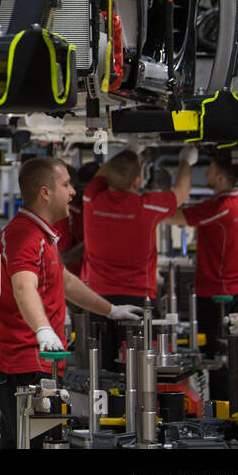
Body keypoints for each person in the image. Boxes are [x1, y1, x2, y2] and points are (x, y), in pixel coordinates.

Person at [0, 157, 141, 449]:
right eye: (66, 184)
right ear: (45, 192)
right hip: (23, 366)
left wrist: (111, 310)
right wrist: (43, 330)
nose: (73, 192)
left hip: (32, 362)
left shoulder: (41, 235)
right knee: (27, 444)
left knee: (18, 443)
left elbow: (66, 282)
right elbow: (23, 286)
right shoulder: (24, 235)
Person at [81, 145, 195, 366]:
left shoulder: (92, 198)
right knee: (138, 369)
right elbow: (181, 193)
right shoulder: (148, 205)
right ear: (137, 181)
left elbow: (103, 174)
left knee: (100, 369)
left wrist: (128, 150)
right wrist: (186, 161)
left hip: (97, 299)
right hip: (138, 299)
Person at [165, 152, 238, 361]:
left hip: (216, 294)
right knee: (230, 353)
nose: (206, 173)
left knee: (214, 356)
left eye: (210, 169)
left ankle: (220, 393)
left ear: (220, 178)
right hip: (235, 290)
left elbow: (174, 217)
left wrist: (146, 208)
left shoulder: (219, 208)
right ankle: (229, 391)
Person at [54, 161, 98, 278]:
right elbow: (66, 258)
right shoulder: (62, 215)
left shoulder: (84, 205)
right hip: (77, 282)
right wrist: (95, 239)